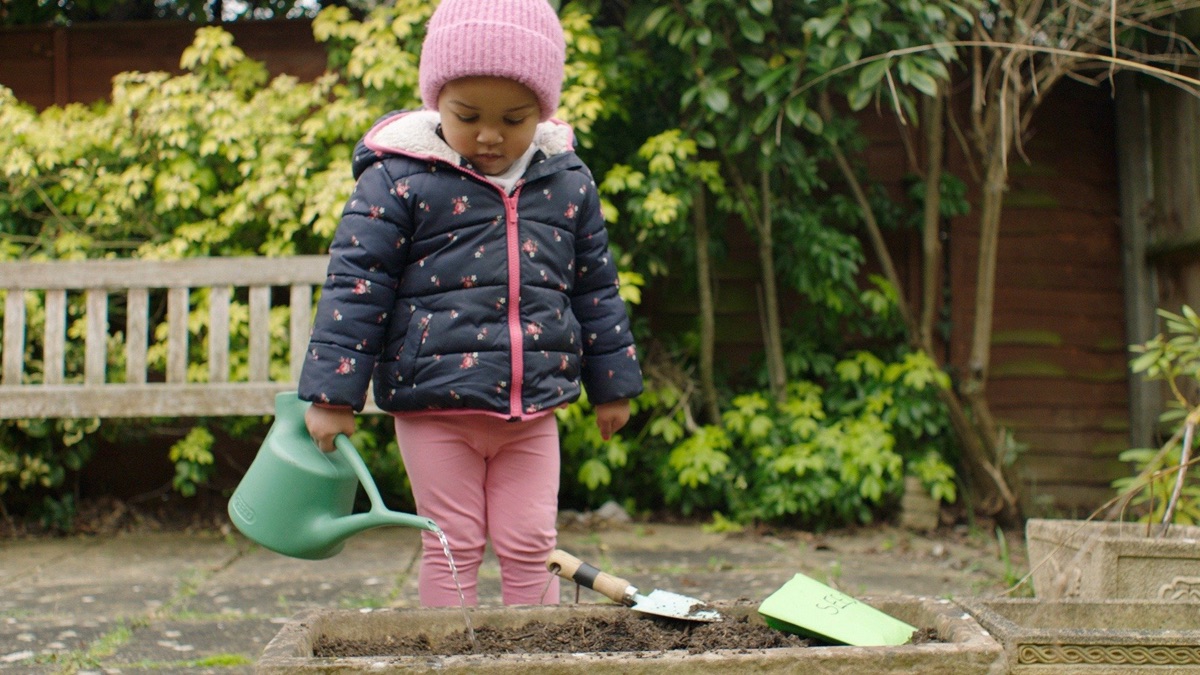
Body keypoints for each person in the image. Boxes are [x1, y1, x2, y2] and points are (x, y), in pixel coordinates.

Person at [298, 0, 643, 608]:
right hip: (435, 409)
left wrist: (611, 383)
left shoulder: (567, 180)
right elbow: (358, 283)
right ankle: (448, 659)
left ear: (543, 110)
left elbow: (595, 286)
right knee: (452, 542)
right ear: (437, 101)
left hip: (532, 411)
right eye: (467, 115)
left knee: (532, 543)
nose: (490, 134)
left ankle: (534, 662)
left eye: (514, 118)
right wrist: (332, 396)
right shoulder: (398, 178)